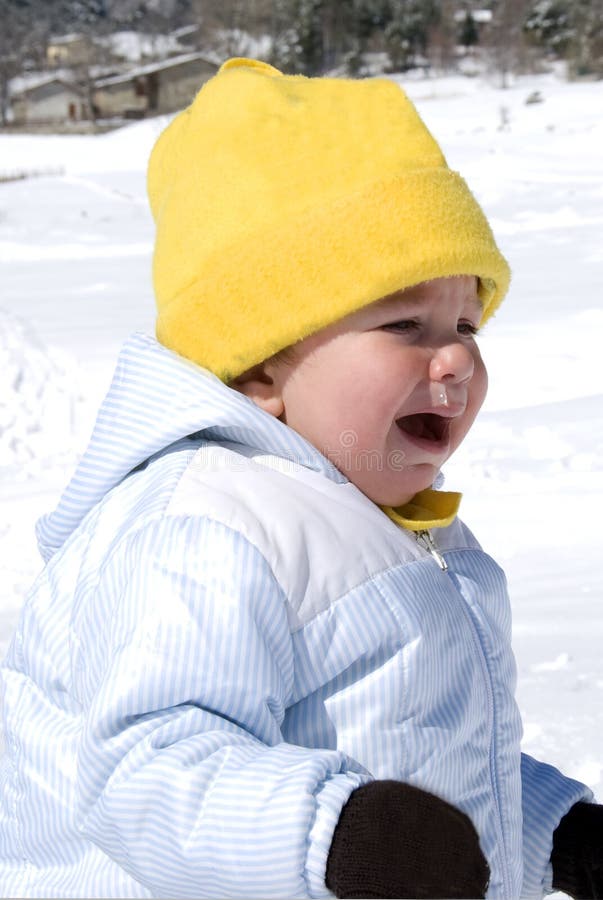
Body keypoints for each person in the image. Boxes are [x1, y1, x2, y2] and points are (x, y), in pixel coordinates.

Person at [0, 57, 601, 900]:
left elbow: (423, 756)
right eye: (405, 324)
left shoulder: (389, 524)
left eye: (466, 321)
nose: (459, 354)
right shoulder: (208, 527)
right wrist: (336, 837)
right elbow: (146, 771)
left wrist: (559, 833)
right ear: (260, 372)